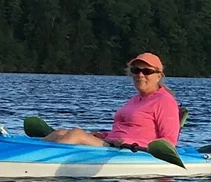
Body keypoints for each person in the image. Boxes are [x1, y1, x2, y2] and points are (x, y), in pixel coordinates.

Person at [48, 54, 182, 149]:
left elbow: (169, 142)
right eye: (136, 70)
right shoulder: (135, 99)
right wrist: (102, 135)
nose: (140, 75)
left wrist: (130, 143)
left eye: (147, 71)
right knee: (60, 132)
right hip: (112, 143)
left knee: (76, 134)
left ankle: (40, 164)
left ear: (158, 76)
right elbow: (123, 128)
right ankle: (30, 154)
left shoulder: (165, 101)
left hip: (129, 150)